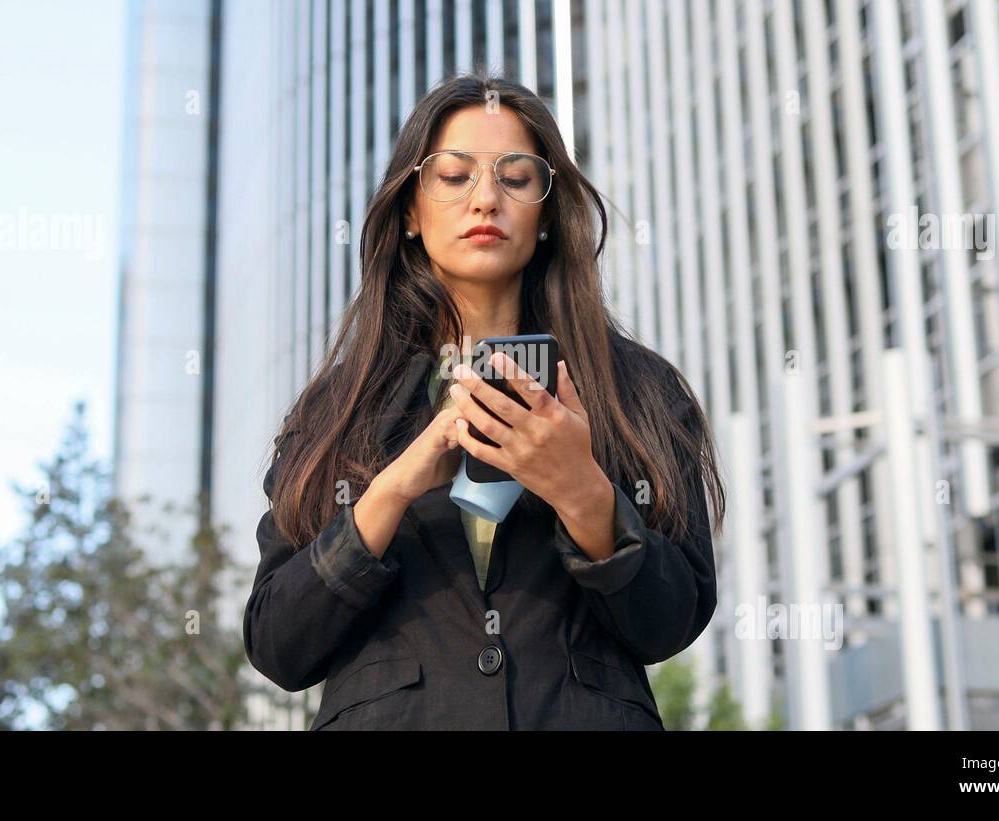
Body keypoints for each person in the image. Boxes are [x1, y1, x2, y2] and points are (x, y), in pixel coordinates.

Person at [244, 71, 725, 730]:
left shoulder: (635, 389)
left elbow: (670, 622)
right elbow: (278, 645)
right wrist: (392, 489)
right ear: (410, 208)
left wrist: (581, 490)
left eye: (517, 178)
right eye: (453, 176)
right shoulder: (337, 410)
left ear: (548, 212)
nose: (486, 199)